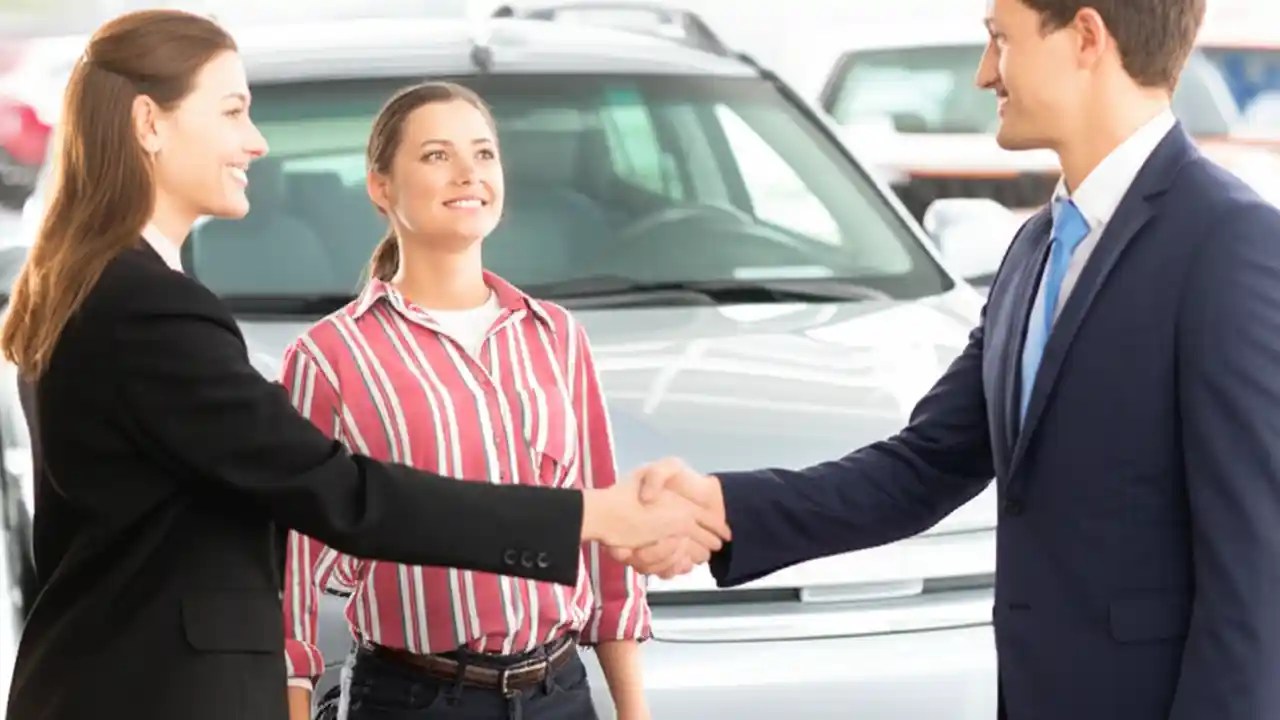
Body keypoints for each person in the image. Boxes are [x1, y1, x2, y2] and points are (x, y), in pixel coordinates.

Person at [0, 11, 727, 720]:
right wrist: (593, 514)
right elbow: (338, 494)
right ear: (149, 124)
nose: (255, 143)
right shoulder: (150, 309)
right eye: (232, 112)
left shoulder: (107, 287)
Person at [622, 1, 1280, 719]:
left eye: (1001, 40)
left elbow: (1257, 574)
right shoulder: (1035, 249)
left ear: (1086, 38)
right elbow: (924, 465)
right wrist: (720, 505)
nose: (984, 73)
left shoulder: (1229, 245)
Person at [280, 82, 651, 720]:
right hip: (413, 698)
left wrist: (633, 710)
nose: (468, 174)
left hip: (559, 693)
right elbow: (289, 576)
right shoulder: (329, 356)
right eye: (435, 156)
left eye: (483, 154)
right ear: (380, 188)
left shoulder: (556, 336)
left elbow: (603, 539)